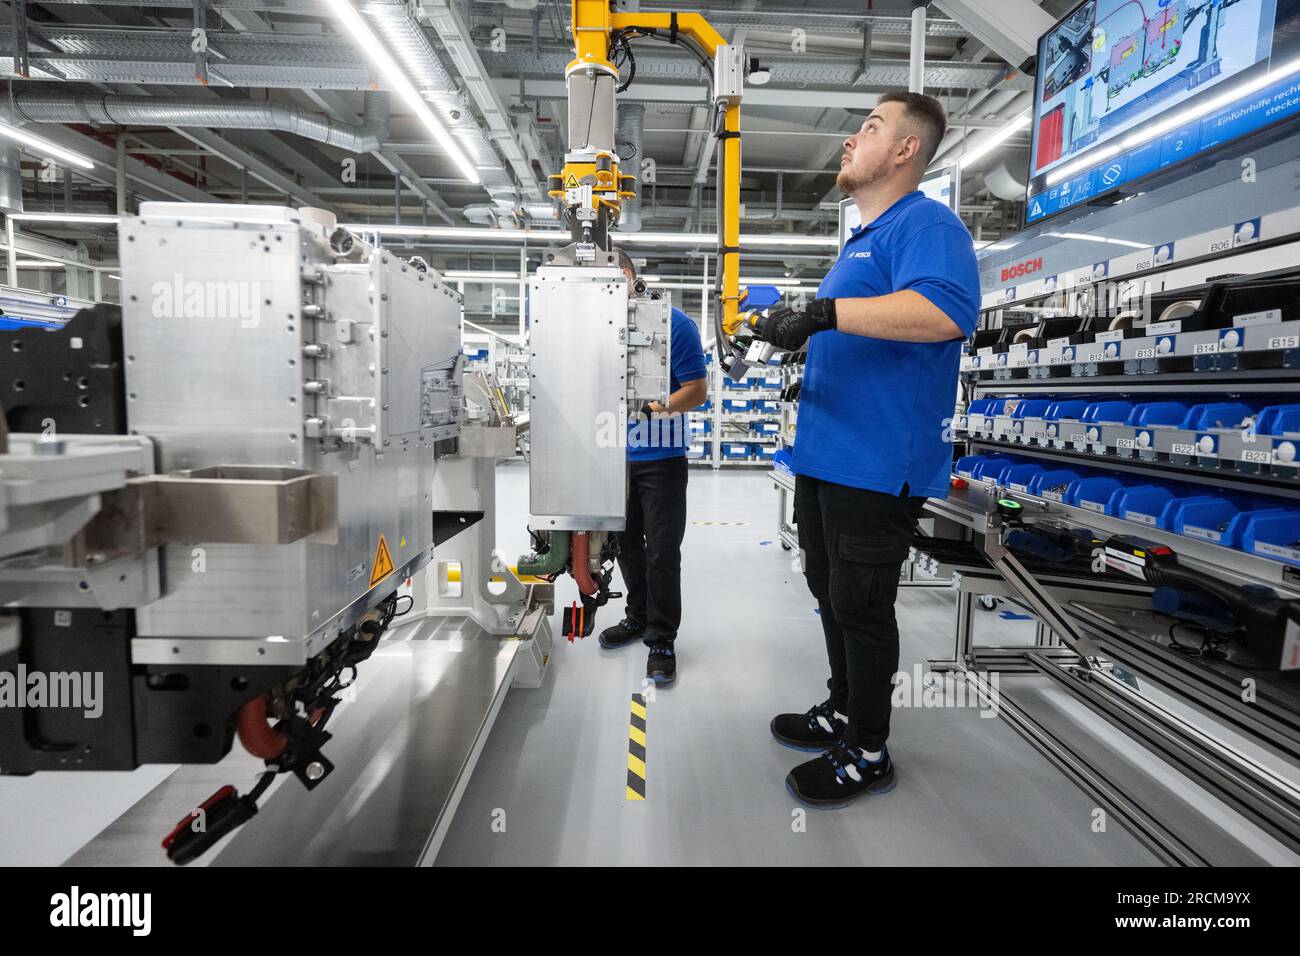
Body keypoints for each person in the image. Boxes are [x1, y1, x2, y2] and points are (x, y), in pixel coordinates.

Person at [751, 92, 980, 808]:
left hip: (879, 462)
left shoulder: (927, 224)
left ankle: (869, 751)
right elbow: (862, 332)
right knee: (830, 592)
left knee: (862, 604)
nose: (853, 139)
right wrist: (803, 341)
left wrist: (825, 312)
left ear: (907, 150)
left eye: (872, 128)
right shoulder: (861, 244)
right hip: (827, 455)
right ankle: (845, 709)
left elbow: (946, 313)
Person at [598, 250, 708, 685]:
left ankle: (662, 638)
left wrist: (653, 409)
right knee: (625, 546)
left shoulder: (673, 324)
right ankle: (637, 616)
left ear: (626, 277)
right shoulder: (595, 327)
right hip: (610, 457)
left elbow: (697, 391)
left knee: (662, 552)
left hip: (661, 460)